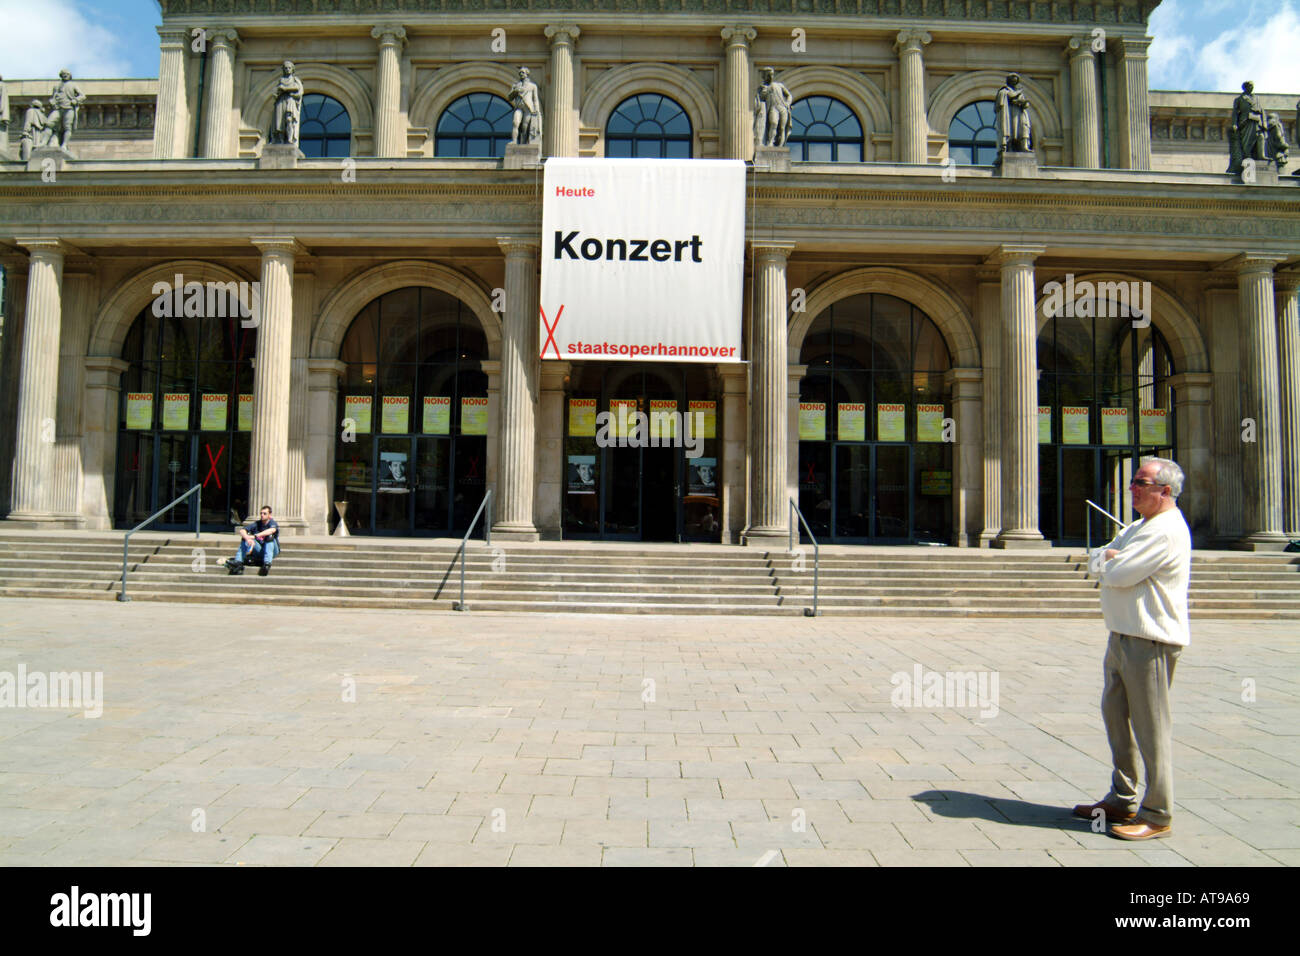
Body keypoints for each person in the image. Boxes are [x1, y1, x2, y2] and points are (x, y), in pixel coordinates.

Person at [1073, 457, 1191, 841]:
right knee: (1115, 716)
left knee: (1150, 728)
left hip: (1150, 641)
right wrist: (1108, 560)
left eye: (1141, 482)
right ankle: (1122, 798)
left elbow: (1119, 573)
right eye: (1134, 482)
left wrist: (1109, 562)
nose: (1132, 488)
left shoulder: (1166, 530)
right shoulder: (1140, 527)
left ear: (1165, 490)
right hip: (1122, 635)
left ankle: (1158, 813)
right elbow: (1098, 558)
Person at [224, 504, 280, 577]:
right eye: (261, 513)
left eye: (264, 513)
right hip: (260, 550)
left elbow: (272, 530)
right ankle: (238, 562)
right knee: (245, 537)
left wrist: (255, 536)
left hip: (272, 551)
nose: (262, 515)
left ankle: (267, 564)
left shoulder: (272, 523)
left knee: (269, 536)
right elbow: (242, 530)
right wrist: (248, 538)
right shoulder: (257, 523)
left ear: (269, 515)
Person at [753, 67, 792, 148]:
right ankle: (770, 142)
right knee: (774, 123)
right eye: (768, 75)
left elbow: (788, 95)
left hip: (782, 107)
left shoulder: (779, 85)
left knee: (782, 127)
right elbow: (760, 100)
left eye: (772, 75)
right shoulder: (763, 87)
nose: (771, 77)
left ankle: (781, 145)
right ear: (765, 77)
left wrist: (788, 103)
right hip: (773, 108)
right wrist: (762, 93)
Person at [48, 70, 86, 151]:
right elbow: (53, 97)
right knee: (49, 123)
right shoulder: (57, 86)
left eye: (67, 74)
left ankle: (64, 144)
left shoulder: (73, 85)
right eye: (63, 74)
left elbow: (82, 95)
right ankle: (51, 141)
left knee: (67, 127)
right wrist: (52, 102)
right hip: (58, 108)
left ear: (70, 75)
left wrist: (76, 100)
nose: (65, 75)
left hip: (69, 108)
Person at [995, 73, 1032, 155]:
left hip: (1019, 113)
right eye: (1013, 81)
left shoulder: (1019, 93)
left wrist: (1023, 103)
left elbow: (1026, 104)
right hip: (1009, 114)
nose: (1014, 83)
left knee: (1023, 128)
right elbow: (1010, 96)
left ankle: (1024, 146)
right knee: (1010, 130)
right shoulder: (1004, 91)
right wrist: (1019, 91)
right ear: (1009, 81)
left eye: (1016, 81)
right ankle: (1009, 146)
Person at [269, 61, 304, 146]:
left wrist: (284, 88)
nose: (287, 69)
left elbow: (297, 88)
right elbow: (276, 91)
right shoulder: (281, 80)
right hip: (281, 101)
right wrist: (276, 92)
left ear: (292, 70)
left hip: (290, 101)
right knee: (279, 122)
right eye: (285, 68)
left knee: (289, 119)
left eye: (289, 68)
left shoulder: (295, 79)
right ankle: (280, 140)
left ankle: (290, 139)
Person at [509, 67, 542, 145]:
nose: (521, 74)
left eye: (523, 72)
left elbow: (535, 99)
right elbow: (510, 97)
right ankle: (514, 141)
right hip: (519, 107)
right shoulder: (516, 86)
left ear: (527, 74)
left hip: (528, 108)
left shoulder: (532, 86)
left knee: (525, 127)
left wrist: (536, 109)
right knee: (515, 123)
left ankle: (524, 143)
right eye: (520, 72)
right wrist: (515, 91)